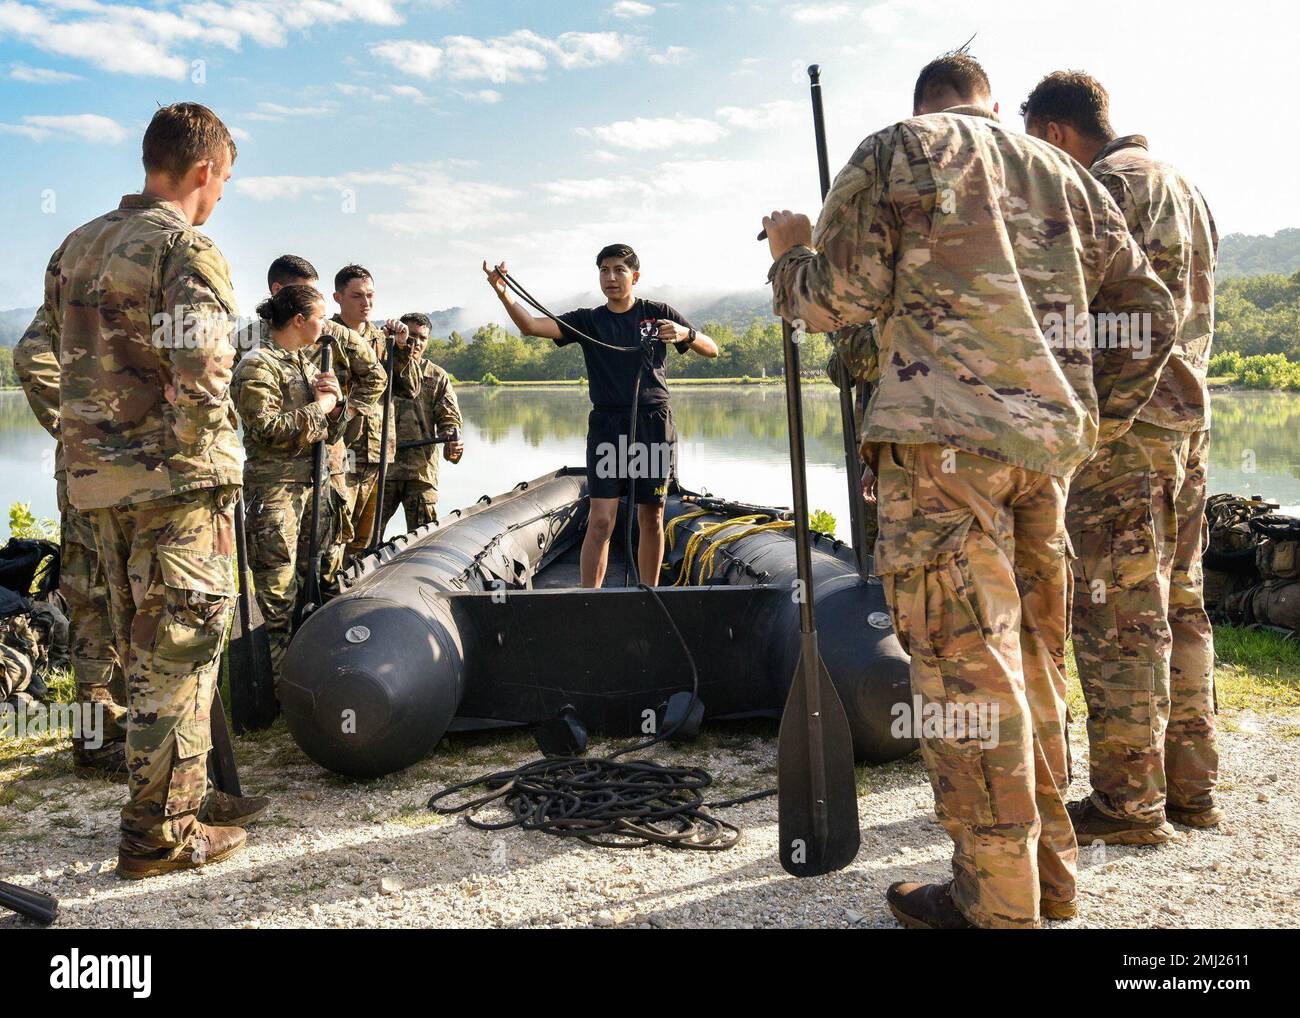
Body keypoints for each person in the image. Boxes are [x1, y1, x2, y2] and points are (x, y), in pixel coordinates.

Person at [765, 52, 1177, 928]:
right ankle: (1048, 884)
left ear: (925, 103)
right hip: (1041, 460)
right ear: (992, 103)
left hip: (941, 456)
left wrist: (791, 252)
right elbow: (1150, 313)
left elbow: (837, 298)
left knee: (962, 684)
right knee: (1030, 667)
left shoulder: (899, 150)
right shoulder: (1070, 175)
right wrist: (1092, 424)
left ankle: (994, 905)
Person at [18, 102, 268, 880]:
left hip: (95, 497)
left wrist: (82, 440)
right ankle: (159, 838)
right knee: (180, 659)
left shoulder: (78, 245)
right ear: (204, 171)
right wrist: (191, 457)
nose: (222, 194)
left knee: (140, 658)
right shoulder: (187, 249)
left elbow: (34, 354)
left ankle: (169, 805)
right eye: (224, 180)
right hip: (176, 495)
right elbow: (202, 379)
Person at [1022, 71, 1221, 841]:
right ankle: (1192, 790)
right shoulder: (1183, 184)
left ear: (1057, 134)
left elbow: (1070, 309)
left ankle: (1128, 804)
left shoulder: (1101, 189)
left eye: (1036, 145)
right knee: (1182, 604)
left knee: (1116, 616)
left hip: (1126, 431)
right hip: (1186, 426)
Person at [484, 245, 718, 587]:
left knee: (650, 517)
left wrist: (688, 335)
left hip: (652, 424)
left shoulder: (658, 312)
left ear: (634, 276)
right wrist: (502, 291)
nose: (610, 277)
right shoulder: (588, 321)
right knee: (601, 521)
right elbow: (531, 326)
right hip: (608, 427)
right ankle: (589, 598)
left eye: (619, 270)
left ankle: (648, 593)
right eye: (604, 270)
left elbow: (712, 349)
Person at [14, 321, 129, 780]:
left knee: (134, 602)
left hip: (143, 480)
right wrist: (83, 426)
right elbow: (30, 354)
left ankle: (129, 729)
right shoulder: (82, 268)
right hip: (93, 481)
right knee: (94, 603)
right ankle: (98, 742)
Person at [236, 255, 387, 589]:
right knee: (278, 574)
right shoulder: (249, 342)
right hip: (276, 469)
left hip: (328, 461)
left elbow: (376, 376)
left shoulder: (330, 331)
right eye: (303, 294)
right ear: (278, 291)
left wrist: (342, 411)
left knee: (327, 561)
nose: (312, 303)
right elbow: (235, 400)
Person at [231, 285, 348, 680]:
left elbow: (329, 433)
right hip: (276, 496)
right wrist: (321, 408)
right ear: (299, 320)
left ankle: (311, 677)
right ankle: (275, 689)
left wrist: (337, 407)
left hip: (313, 491)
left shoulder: (307, 364)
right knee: (277, 600)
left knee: (316, 584)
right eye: (320, 316)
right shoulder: (257, 366)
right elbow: (267, 430)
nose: (326, 323)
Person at [331, 264, 420, 558]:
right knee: (334, 538)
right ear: (338, 297)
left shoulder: (384, 341)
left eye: (370, 296)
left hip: (379, 452)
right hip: (341, 453)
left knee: (365, 544)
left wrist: (403, 347)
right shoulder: (325, 338)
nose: (366, 303)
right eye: (357, 296)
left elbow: (410, 389)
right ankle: (326, 600)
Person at [380, 313, 465, 533]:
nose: (416, 342)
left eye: (422, 338)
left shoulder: (437, 376)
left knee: (422, 539)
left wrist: (453, 441)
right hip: (380, 469)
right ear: (401, 335)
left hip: (421, 472)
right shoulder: (380, 368)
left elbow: (450, 419)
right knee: (364, 541)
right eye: (412, 336)